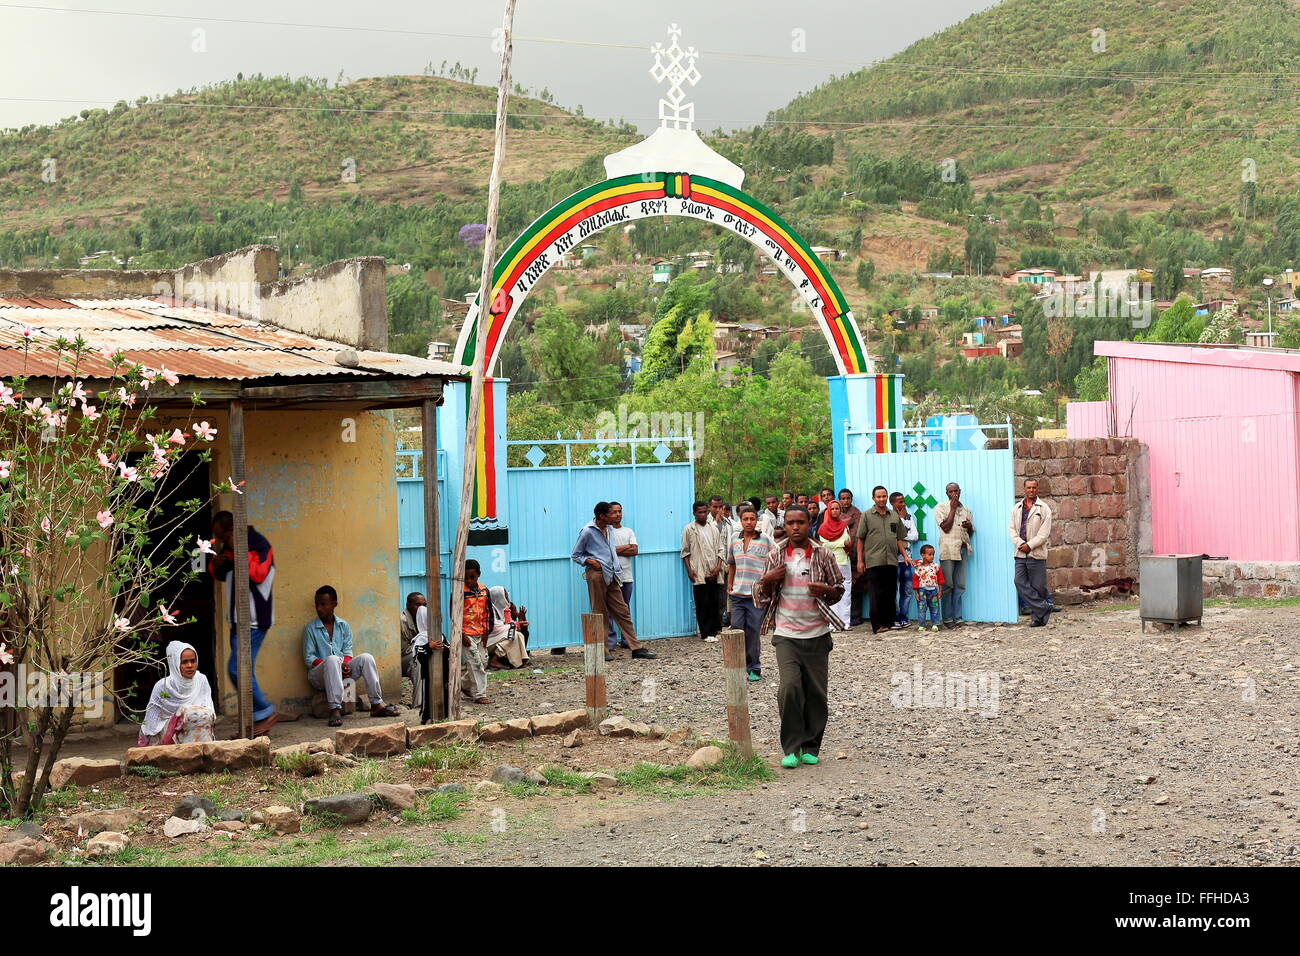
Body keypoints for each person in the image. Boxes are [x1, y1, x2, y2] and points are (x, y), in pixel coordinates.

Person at [752, 505, 844, 769]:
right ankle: (791, 747)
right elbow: (760, 597)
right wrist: (768, 579)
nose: (795, 527)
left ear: (809, 522)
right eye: (790, 522)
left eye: (800, 522)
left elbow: (839, 589)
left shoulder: (823, 554)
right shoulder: (775, 554)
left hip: (817, 634)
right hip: (786, 635)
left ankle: (811, 746)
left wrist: (825, 589)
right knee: (790, 687)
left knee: (816, 694)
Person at [209, 510, 278, 736]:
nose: (219, 541)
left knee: (236, 669)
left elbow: (257, 574)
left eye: (221, 536)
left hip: (255, 621)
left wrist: (239, 549)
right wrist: (217, 562)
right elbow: (220, 575)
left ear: (231, 530)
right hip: (237, 622)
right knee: (244, 671)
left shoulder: (260, 545)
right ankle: (257, 724)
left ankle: (265, 713)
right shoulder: (228, 546)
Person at [304, 585, 401, 727]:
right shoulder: (310, 629)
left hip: (341, 672)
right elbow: (309, 658)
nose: (319, 608)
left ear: (334, 604)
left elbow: (347, 651)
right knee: (332, 660)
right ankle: (335, 709)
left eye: (323, 604)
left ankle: (376, 704)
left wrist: (344, 665)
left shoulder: (343, 626)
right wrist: (337, 664)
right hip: (319, 676)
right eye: (317, 604)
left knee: (366, 658)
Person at [572, 501, 656, 661]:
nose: (615, 516)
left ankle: (636, 648)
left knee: (622, 611)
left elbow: (612, 550)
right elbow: (576, 555)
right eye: (611, 513)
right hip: (596, 575)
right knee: (599, 612)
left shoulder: (609, 528)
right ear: (601, 516)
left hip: (612, 574)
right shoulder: (587, 531)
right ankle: (602, 651)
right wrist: (590, 561)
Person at [727, 506, 776, 681]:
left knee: (753, 632)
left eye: (752, 519)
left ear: (757, 521)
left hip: (756, 596)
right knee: (737, 630)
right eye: (745, 519)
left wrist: (768, 585)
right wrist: (730, 583)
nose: (749, 522)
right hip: (738, 595)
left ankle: (754, 668)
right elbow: (731, 563)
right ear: (740, 520)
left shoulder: (766, 540)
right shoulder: (734, 539)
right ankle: (738, 667)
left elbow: (776, 561)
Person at [855, 486, 912, 634]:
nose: (882, 499)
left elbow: (899, 538)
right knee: (875, 593)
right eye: (878, 496)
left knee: (890, 593)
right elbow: (860, 539)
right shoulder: (866, 516)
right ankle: (877, 625)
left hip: (891, 561)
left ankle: (889, 622)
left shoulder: (893, 516)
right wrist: (860, 561)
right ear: (873, 498)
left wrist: (905, 555)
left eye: (884, 496)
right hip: (874, 561)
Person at [138, 641, 216, 746]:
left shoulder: (201, 680)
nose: (190, 665)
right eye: (184, 662)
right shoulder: (163, 686)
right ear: (174, 663)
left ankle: (200, 753)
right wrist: (177, 719)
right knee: (189, 712)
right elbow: (150, 725)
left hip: (197, 732)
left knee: (200, 714)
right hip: (166, 737)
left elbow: (209, 713)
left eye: (193, 661)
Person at [1010, 478, 1054, 627]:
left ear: (1037, 489)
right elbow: (1012, 530)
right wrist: (1020, 544)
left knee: (1038, 586)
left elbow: (1044, 533)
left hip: (1037, 553)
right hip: (1020, 553)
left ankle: (1037, 618)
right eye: (1028, 488)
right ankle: (1045, 607)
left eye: (1034, 488)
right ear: (1024, 489)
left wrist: (1030, 545)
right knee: (1019, 581)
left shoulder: (1044, 508)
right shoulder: (1016, 508)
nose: (1031, 490)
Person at [682, 500, 727, 642]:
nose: (702, 515)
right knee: (702, 603)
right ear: (694, 513)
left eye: (704, 512)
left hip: (713, 571)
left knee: (715, 602)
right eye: (699, 512)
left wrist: (718, 566)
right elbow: (685, 552)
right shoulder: (689, 529)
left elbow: (721, 549)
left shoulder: (713, 528)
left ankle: (714, 631)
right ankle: (705, 633)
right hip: (699, 572)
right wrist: (689, 570)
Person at [933, 482, 974, 628]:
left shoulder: (966, 510)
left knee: (960, 585)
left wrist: (969, 527)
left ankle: (958, 617)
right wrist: (952, 508)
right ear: (946, 493)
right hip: (948, 551)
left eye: (956, 491)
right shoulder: (940, 508)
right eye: (951, 491)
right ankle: (948, 618)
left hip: (962, 550)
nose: (954, 494)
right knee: (948, 586)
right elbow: (945, 527)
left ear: (960, 491)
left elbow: (970, 532)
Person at [458, 560, 493, 704]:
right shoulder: (460, 592)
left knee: (483, 662)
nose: (469, 581)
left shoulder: (484, 590)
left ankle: (463, 684)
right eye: (466, 578)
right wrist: (461, 634)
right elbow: (455, 615)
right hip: (466, 634)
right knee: (476, 664)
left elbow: (488, 613)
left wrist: (486, 633)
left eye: (472, 577)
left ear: (478, 575)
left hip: (481, 633)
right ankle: (480, 694)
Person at [816, 499, 854, 629]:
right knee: (832, 592)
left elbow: (849, 541)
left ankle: (845, 622)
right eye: (832, 509)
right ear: (828, 510)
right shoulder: (823, 528)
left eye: (837, 508)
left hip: (844, 561)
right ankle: (833, 623)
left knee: (846, 591)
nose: (834, 511)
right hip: (830, 563)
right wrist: (841, 544)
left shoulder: (844, 526)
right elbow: (824, 545)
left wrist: (844, 545)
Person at [606, 502, 638, 651]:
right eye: (614, 512)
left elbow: (634, 550)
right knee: (610, 610)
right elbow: (606, 551)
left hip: (626, 576)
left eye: (620, 511)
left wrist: (615, 550)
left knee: (625, 609)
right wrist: (625, 547)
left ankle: (627, 640)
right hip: (611, 577)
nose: (618, 514)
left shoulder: (628, 531)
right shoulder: (605, 531)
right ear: (608, 514)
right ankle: (611, 642)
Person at [890, 491, 920, 629]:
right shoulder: (889, 518)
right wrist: (900, 537)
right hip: (893, 560)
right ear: (892, 503)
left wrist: (902, 537)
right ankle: (895, 618)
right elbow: (892, 537)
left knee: (906, 591)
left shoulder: (909, 518)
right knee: (893, 591)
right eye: (899, 501)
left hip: (907, 561)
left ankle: (904, 617)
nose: (902, 504)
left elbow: (915, 536)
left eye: (903, 501)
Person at [837, 489, 865, 625]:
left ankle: (855, 615)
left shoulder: (857, 514)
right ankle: (841, 616)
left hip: (855, 555)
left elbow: (860, 534)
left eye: (848, 498)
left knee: (856, 587)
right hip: (840, 556)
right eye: (843, 498)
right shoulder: (836, 514)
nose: (845, 501)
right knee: (840, 587)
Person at [486, 585, 530, 669]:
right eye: (505, 596)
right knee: (513, 634)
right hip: (488, 642)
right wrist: (517, 624)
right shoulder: (489, 610)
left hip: (496, 639)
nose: (507, 599)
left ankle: (521, 661)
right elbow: (495, 629)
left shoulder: (502, 610)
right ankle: (494, 660)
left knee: (518, 634)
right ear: (499, 597)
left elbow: (507, 624)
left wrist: (520, 621)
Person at [400, 591, 426, 701]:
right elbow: (402, 650)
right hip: (402, 658)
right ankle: (418, 703)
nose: (421, 608)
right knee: (420, 659)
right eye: (418, 605)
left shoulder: (424, 617)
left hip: (414, 653)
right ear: (408, 606)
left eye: (424, 605)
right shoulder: (402, 621)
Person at [912, 544, 944, 632]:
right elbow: (915, 580)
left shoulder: (936, 566)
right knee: (922, 608)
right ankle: (922, 625)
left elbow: (940, 579)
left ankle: (935, 624)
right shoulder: (919, 567)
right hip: (922, 591)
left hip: (933, 591)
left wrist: (940, 591)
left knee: (935, 608)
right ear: (923, 555)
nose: (932, 556)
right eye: (929, 554)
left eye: (933, 554)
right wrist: (916, 593)